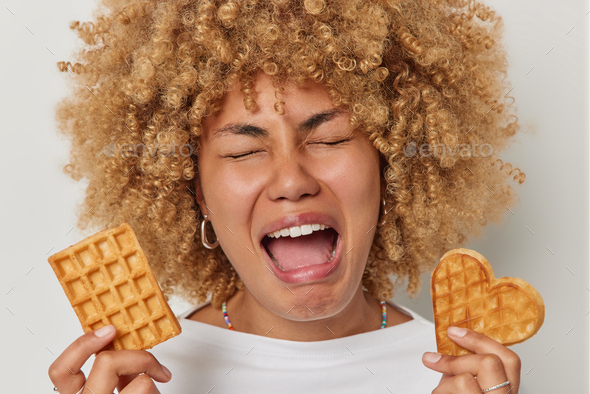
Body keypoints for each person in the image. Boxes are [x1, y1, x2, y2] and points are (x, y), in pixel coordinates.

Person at [48, 0, 526, 392]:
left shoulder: (466, 376)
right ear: (197, 194)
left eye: (330, 139)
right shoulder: (133, 378)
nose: (291, 181)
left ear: (390, 164)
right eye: (243, 150)